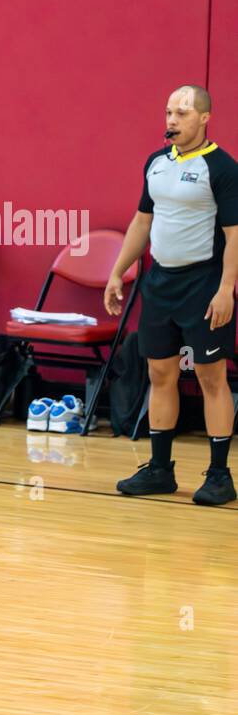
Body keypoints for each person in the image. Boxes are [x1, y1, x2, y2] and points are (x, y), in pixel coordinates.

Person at [107, 85, 238, 505]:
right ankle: (160, 469)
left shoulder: (222, 168)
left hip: (203, 285)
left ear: (204, 118)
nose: (172, 121)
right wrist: (117, 271)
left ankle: (220, 476)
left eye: (182, 113)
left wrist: (226, 290)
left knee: (210, 377)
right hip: (159, 283)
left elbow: (235, 235)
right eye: (168, 112)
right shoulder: (156, 163)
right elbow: (142, 222)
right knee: (159, 374)